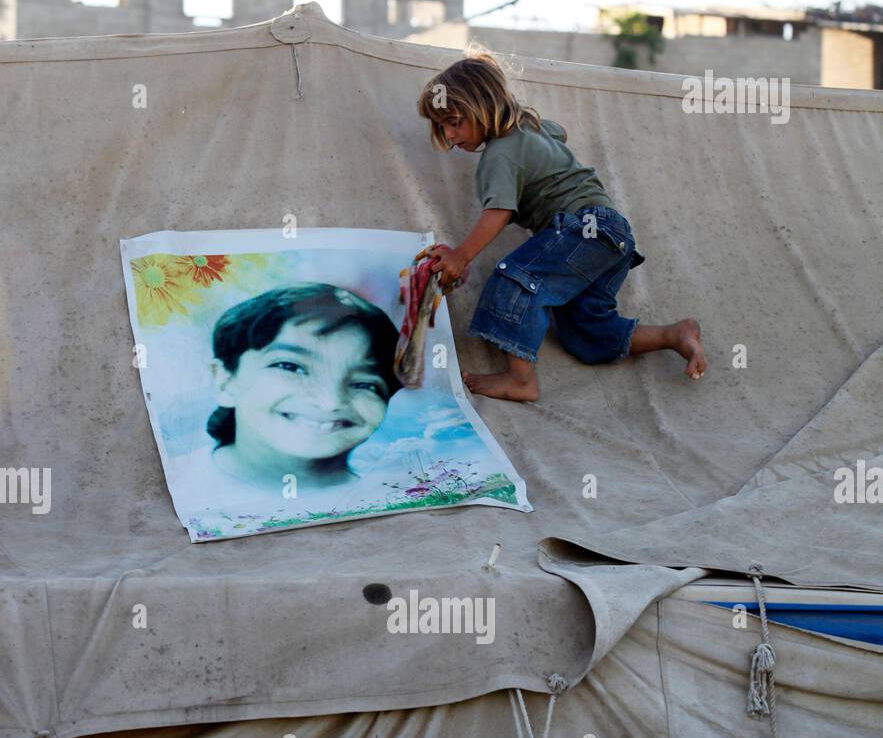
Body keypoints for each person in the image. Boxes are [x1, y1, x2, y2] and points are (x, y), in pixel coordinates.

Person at [417, 47, 707, 403]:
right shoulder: (529, 129)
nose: (449, 135)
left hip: (583, 227)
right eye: (442, 127)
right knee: (583, 330)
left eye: (455, 122)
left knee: (515, 277)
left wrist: (461, 255)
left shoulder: (500, 152)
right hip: (610, 236)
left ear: (484, 108)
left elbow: (500, 210)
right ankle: (673, 335)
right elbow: (560, 131)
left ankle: (520, 379)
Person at [188, 284, 402, 507]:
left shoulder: (395, 495)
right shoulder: (177, 486)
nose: (330, 402)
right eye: (290, 366)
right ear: (225, 381)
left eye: (365, 384)